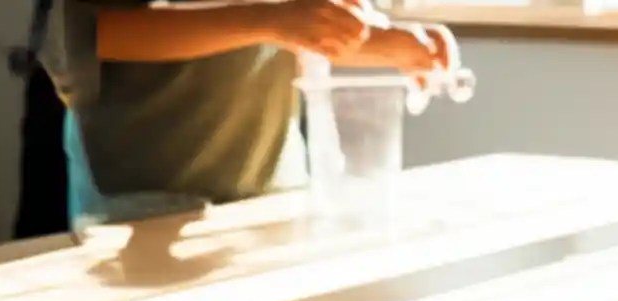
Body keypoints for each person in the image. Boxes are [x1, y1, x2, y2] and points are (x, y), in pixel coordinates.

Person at [39, 0, 453, 225]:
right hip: (146, 196)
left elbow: (314, 23)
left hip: (268, 190)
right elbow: (92, 34)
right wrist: (270, 19)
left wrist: (405, 44)